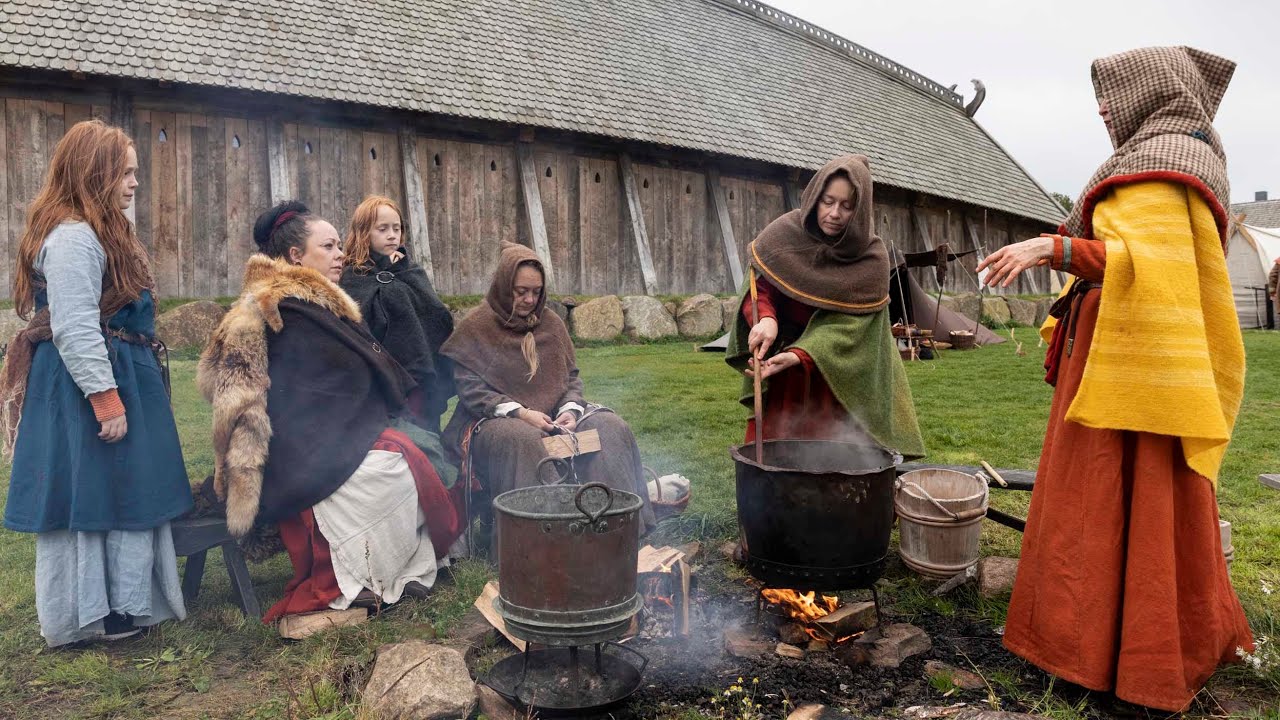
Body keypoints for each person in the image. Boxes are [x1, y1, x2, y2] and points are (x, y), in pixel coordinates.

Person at [978, 47, 1252, 712]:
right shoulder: (1149, 156)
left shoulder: (1174, 162)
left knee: (1132, 499)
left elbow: (1154, 267)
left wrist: (1057, 248)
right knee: (1089, 500)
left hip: (1143, 370)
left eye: (1113, 91)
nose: (1102, 107)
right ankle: (1079, 646)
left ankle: (1139, 666)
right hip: (1108, 356)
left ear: (1152, 90)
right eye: (1098, 95)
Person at [197, 201, 462, 621]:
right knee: (391, 468)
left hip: (333, 438)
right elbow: (289, 398)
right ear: (296, 257)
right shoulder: (275, 309)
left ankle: (400, 570)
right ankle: (354, 577)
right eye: (329, 246)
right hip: (300, 455)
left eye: (340, 244)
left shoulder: (321, 305)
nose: (341, 254)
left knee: (407, 457)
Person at [0, 120, 191, 646]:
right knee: (91, 494)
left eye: (135, 173)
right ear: (95, 173)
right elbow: (76, 324)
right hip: (85, 385)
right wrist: (106, 400)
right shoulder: (73, 237)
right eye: (125, 173)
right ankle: (95, 613)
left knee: (127, 489)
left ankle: (125, 604)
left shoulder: (100, 231)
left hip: (120, 372)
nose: (134, 184)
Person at [440, 241, 656, 534]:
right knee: (527, 442)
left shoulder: (551, 323)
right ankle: (541, 541)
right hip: (493, 421)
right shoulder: (476, 327)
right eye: (521, 292)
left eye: (536, 291)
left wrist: (570, 410)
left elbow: (571, 378)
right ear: (505, 287)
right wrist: (522, 414)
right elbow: (472, 392)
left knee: (611, 428)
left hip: (555, 417)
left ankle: (618, 531)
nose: (530, 300)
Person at [724, 154, 925, 458]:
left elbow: (852, 329)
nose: (834, 213)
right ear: (815, 196)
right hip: (779, 368)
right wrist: (765, 318)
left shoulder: (871, 258)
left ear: (860, 210)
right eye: (827, 201)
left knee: (830, 461)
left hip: (835, 378)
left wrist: (800, 355)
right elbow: (759, 285)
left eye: (847, 206)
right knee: (773, 458)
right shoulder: (783, 233)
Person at [339, 196, 455, 433]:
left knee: (426, 441)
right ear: (364, 233)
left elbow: (436, 316)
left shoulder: (412, 272)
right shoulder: (352, 279)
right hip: (378, 386)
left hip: (421, 380)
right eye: (382, 229)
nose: (392, 235)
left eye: (397, 228)